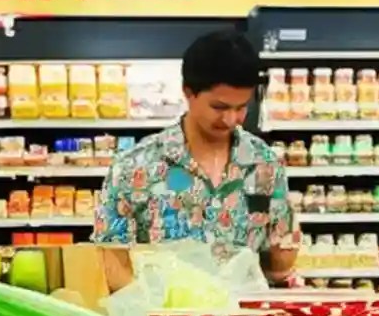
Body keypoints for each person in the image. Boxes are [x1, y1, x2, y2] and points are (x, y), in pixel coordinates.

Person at [92, 29, 299, 286]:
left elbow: (278, 258)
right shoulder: (136, 165)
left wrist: (284, 255)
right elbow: (110, 256)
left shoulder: (265, 164)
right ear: (188, 92)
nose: (230, 119)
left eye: (241, 107)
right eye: (219, 107)